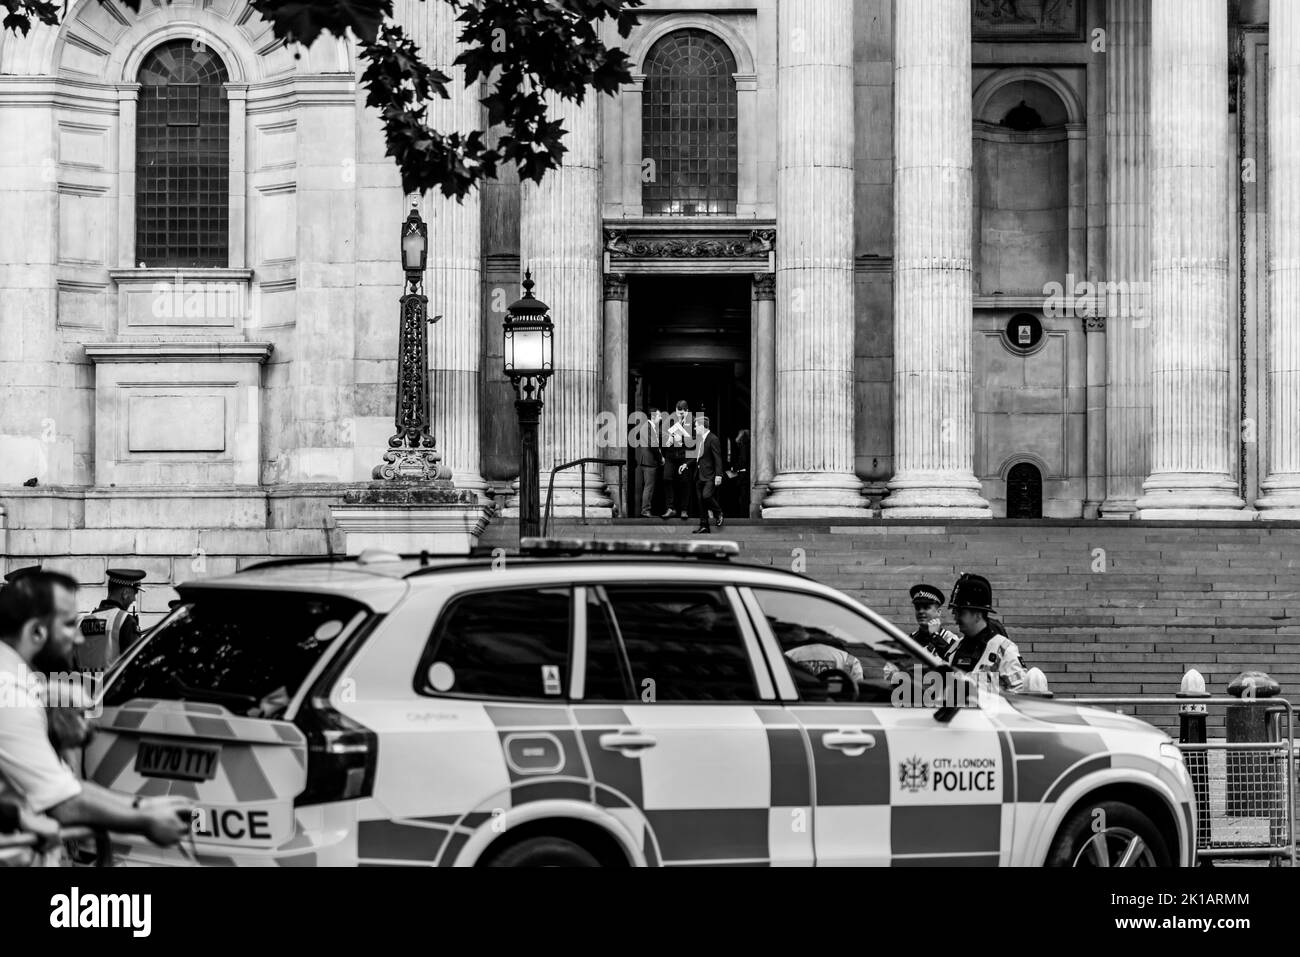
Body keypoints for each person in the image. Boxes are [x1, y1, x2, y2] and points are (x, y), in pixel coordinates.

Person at [0, 571, 193, 861]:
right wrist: (145, 817)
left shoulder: (16, 677)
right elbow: (65, 801)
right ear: (36, 632)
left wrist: (48, 691)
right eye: (67, 625)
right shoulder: (11, 696)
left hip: (88, 700)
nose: (77, 637)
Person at [947, 573, 1027, 693]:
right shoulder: (953, 649)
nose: (955, 619)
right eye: (955, 612)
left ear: (978, 615)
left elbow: (1020, 694)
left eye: (961, 613)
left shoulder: (1004, 649)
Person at [76, 567, 146, 672]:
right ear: (125, 593)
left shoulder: (81, 622)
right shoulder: (124, 620)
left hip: (85, 686)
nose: (134, 599)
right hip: (110, 687)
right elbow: (136, 664)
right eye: (134, 593)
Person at [908, 583, 961, 662]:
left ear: (938, 612)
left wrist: (936, 637)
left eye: (926, 607)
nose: (921, 611)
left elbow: (957, 669)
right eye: (917, 608)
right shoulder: (909, 640)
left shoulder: (950, 639)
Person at [691, 415, 725, 534]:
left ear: (702, 426)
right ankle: (704, 525)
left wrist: (719, 475)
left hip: (710, 475)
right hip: (699, 475)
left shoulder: (713, 439)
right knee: (700, 501)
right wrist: (686, 464)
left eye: (696, 427)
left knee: (706, 496)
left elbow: (718, 458)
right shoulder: (700, 439)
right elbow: (697, 457)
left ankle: (718, 512)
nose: (695, 429)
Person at [661, 400, 693, 520]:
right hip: (671, 454)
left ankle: (684, 509)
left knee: (685, 481)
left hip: (685, 455)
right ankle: (670, 508)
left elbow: (696, 438)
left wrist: (684, 437)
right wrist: (668, 437)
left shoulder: (693, 420)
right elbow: (661, 434)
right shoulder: (670, 419)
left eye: (681, 414)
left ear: (687, 411)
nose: (679, 416)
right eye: (677, 413)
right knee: (667, 478)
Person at [633, 406, 664, 518]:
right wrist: (661, 458)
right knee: (649, 487)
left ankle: (646, 509)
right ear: (653, 416)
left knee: (648, 486)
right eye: (659, 416)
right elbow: (653, 445)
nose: (660, 418)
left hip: (647, 461)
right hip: (649, 461)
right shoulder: (647, 426)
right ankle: (645, 510)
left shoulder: (648, 427)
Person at [725, 429, 751, 517]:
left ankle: (743, 515)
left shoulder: (743, 445)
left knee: (743, 497)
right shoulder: (748, 446)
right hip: (745, 475)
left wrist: (733, 468)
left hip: (743, 476)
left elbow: (742, 461)